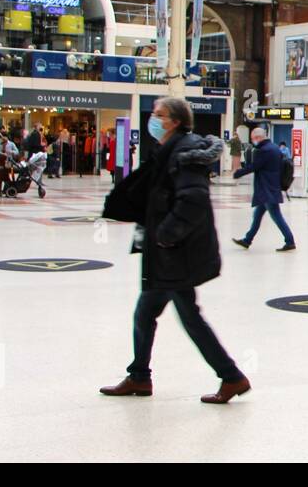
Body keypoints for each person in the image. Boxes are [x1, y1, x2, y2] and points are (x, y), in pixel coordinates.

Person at [99, 97, 249, 404]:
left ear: (175, 121)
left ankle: (231, 376)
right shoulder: (171, 150)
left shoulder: (184, 153)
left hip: (176, 255)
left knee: (185, 317)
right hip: (167, 254)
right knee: (149, 314)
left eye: (159, 115)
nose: (153, 119)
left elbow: (193, 200)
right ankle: (140, 376)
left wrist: (166, 234)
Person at [232, 127, 296, 252]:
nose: (252, 141)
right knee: (257, 216)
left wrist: (238, 173)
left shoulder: (264, 150)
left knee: (277, 217)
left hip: (267, 190)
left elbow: (255, 166)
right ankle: (247, 240)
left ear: (258, 137)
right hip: (271, 188)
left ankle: (290, 241)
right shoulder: (274, 148)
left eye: (253, 139)